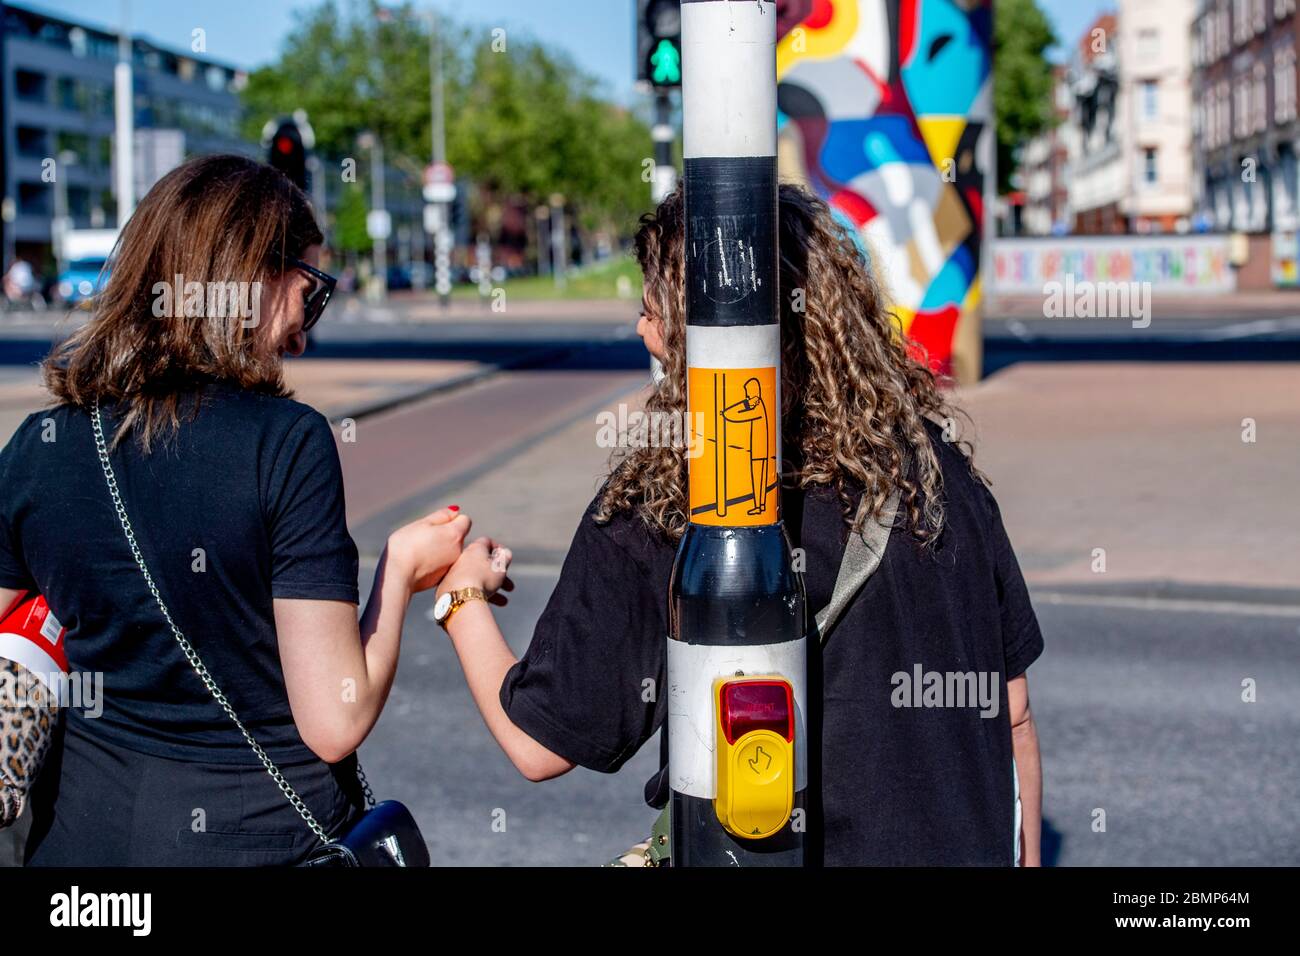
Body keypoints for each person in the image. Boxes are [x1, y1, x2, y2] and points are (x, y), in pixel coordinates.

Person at [435, 184, 1045, 866]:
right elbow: (1013, 713)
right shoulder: (936, 472)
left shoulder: (671, 501)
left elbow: (540, 743)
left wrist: (462, 598)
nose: (643, 331)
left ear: (702, 331)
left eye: (652, 312)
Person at [0, 155, 468, 866]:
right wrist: (399, 574)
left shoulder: (42, 444)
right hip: (255, 837)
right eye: (310, 292)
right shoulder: (287, 445)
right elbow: (335, 719)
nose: (305, 332)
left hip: (82, 841)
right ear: (251, 275)